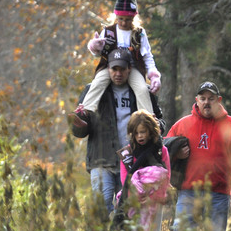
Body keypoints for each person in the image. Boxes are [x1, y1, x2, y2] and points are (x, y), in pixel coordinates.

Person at [70, 48, 165, 217]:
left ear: (130, 69)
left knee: (128, 211)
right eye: (114, 69)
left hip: (133, 162)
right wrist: (78, 124)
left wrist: (156, 126)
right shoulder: (93, 91)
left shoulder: (142, 92)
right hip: (102, 160)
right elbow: (80, 129)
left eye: (122, 69)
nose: (118, 73)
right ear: (108, 69)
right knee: (102, 208)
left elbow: (159, 122)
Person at [166, 81, 231, 231]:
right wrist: (176, 153)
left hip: (219, 192)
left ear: (219, 100)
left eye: (211, 98)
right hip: (188, 191)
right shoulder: (182, 124)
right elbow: (164, 151)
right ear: (197, 100)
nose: (207, 102)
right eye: (203, 98)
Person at [78, 0, 161, 117]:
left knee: (142, 89)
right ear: (115, 16)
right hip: (110, 67)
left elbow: (147, 56)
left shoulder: (139, 34)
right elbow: (98, 54)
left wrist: (154, 76)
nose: (123, 23)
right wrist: (95, 47)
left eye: (128, 20)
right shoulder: (108, 31)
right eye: (120, 19)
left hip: (132, 69)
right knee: (97, 83)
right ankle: (85, 113)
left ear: (134, 18)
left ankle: (148, 118)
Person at [115, 109, 170, 231]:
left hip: (154, 203)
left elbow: (166, 177)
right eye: (136, 133)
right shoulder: (127, 153)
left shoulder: (161, 151)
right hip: (133, 202)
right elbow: (125, 179)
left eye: (143, 132)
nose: (139, 136)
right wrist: (137, 196)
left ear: (150, 131)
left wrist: (152, 197)